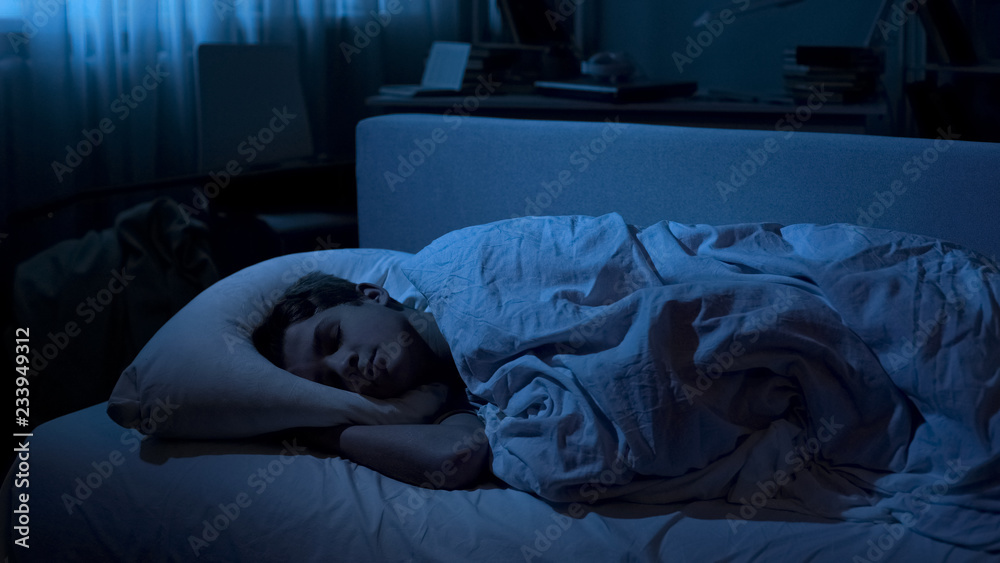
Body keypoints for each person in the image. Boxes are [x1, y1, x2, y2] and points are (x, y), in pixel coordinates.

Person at [252, 272, 491, 490]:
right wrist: (320, 433)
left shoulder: (476, 281)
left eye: (334, 339)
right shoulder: (452, 399)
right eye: (332, 382)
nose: (342, 366)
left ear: (372, 295)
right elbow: (457, 455)